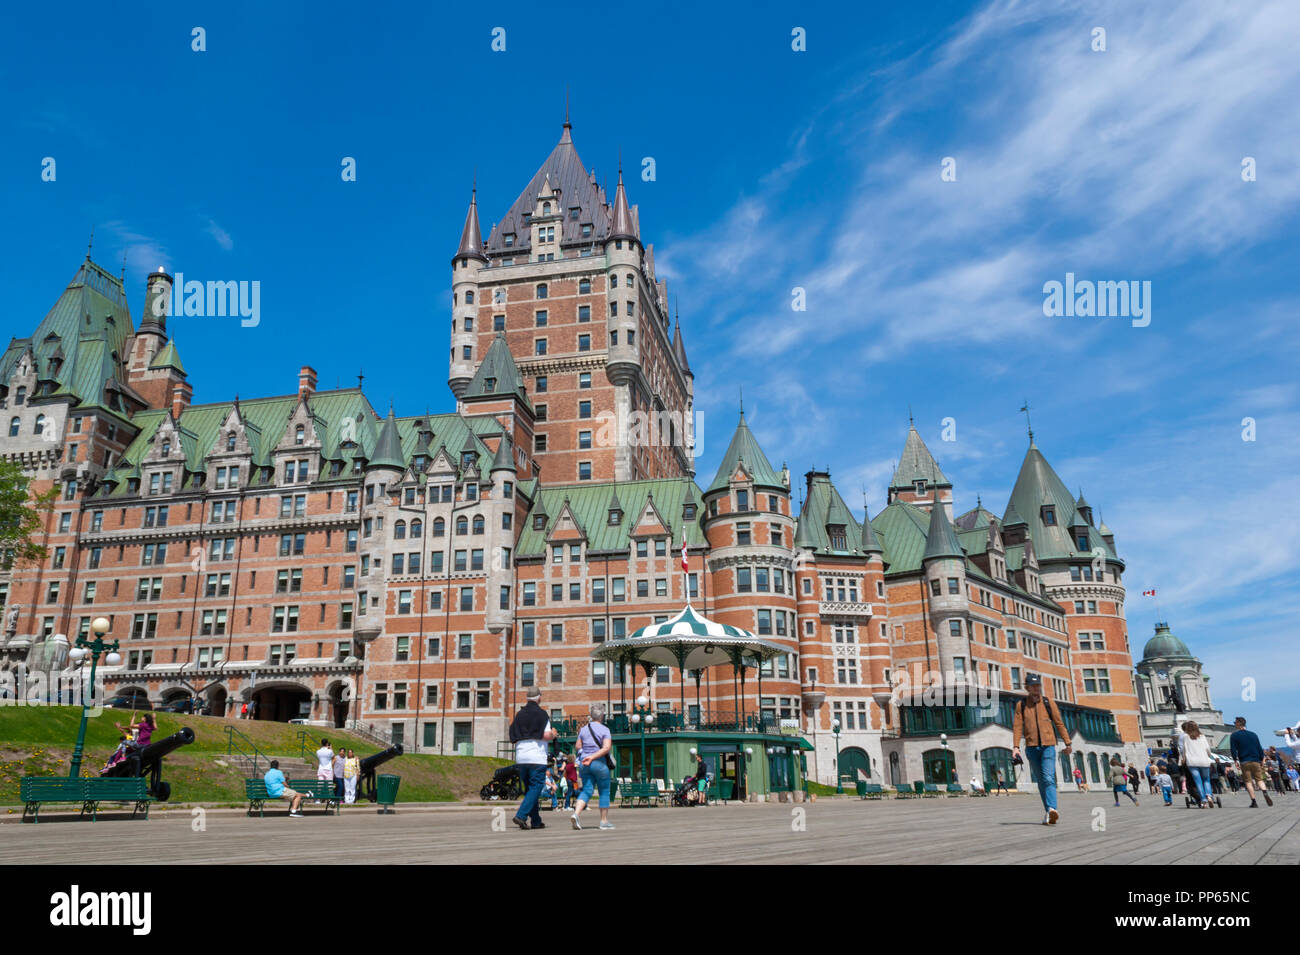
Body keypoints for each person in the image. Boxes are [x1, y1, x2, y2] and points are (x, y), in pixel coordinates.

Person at [1011, 673, 1071, 825]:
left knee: (1048, 778)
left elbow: (1059, 723)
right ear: (1027, 688)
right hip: (1031, 748)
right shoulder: (1021, 705)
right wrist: (1016, 747)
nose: (1037, 688)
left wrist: (1068, 743)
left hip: (1048, 746)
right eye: (1033, 686)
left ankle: (1052, 809)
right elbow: (1017, 726)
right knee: (1041, 782)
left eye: (1038, 685)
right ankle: (1049, 811)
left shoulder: (1048, 702)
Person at [509, 686, 557, 831]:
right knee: (536, 787)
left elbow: (512, 733)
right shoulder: (542, 714)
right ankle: (521, 815)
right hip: (536, 756)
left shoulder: (519, 714)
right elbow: (546, 735)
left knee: (531, 789)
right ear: (539, 698)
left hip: (521, 756)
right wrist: (554, 733)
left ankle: (536, 820)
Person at [570, 702, 614, 830]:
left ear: (591, 715)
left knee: (587, 790)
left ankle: (576, 814)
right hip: (599, 763)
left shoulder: (583, 729)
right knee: (604, 791)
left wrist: (584, 755)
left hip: (584, 764)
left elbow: (578, 746)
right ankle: (604, 821)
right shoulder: (605, 730)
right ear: (602, 716)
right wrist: (593, 757)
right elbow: (606, 747)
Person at [1229, 717, 1272, 808]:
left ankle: (1254, 801)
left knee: (1248, 781)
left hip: (1244, 761)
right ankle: (1264, 791)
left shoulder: (1234, 735)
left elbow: (1233, 750)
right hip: (1255, 760)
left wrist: (1235, 760)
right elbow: (1259, 748)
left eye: (1235, 722)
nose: (1234, 724)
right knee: (1259, 779)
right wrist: (1261, 759)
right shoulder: (1253, 734)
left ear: (1238, 724)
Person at [315, 738, 334, 803]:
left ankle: (317, 799)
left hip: (321, 769)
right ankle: (329, 799)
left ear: (321, 743)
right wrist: (330, 748)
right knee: (329, 785)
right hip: (328, 769)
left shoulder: (318, 751)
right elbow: (333, 757)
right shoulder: (330, 751)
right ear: (327, 743)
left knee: (320, 785)